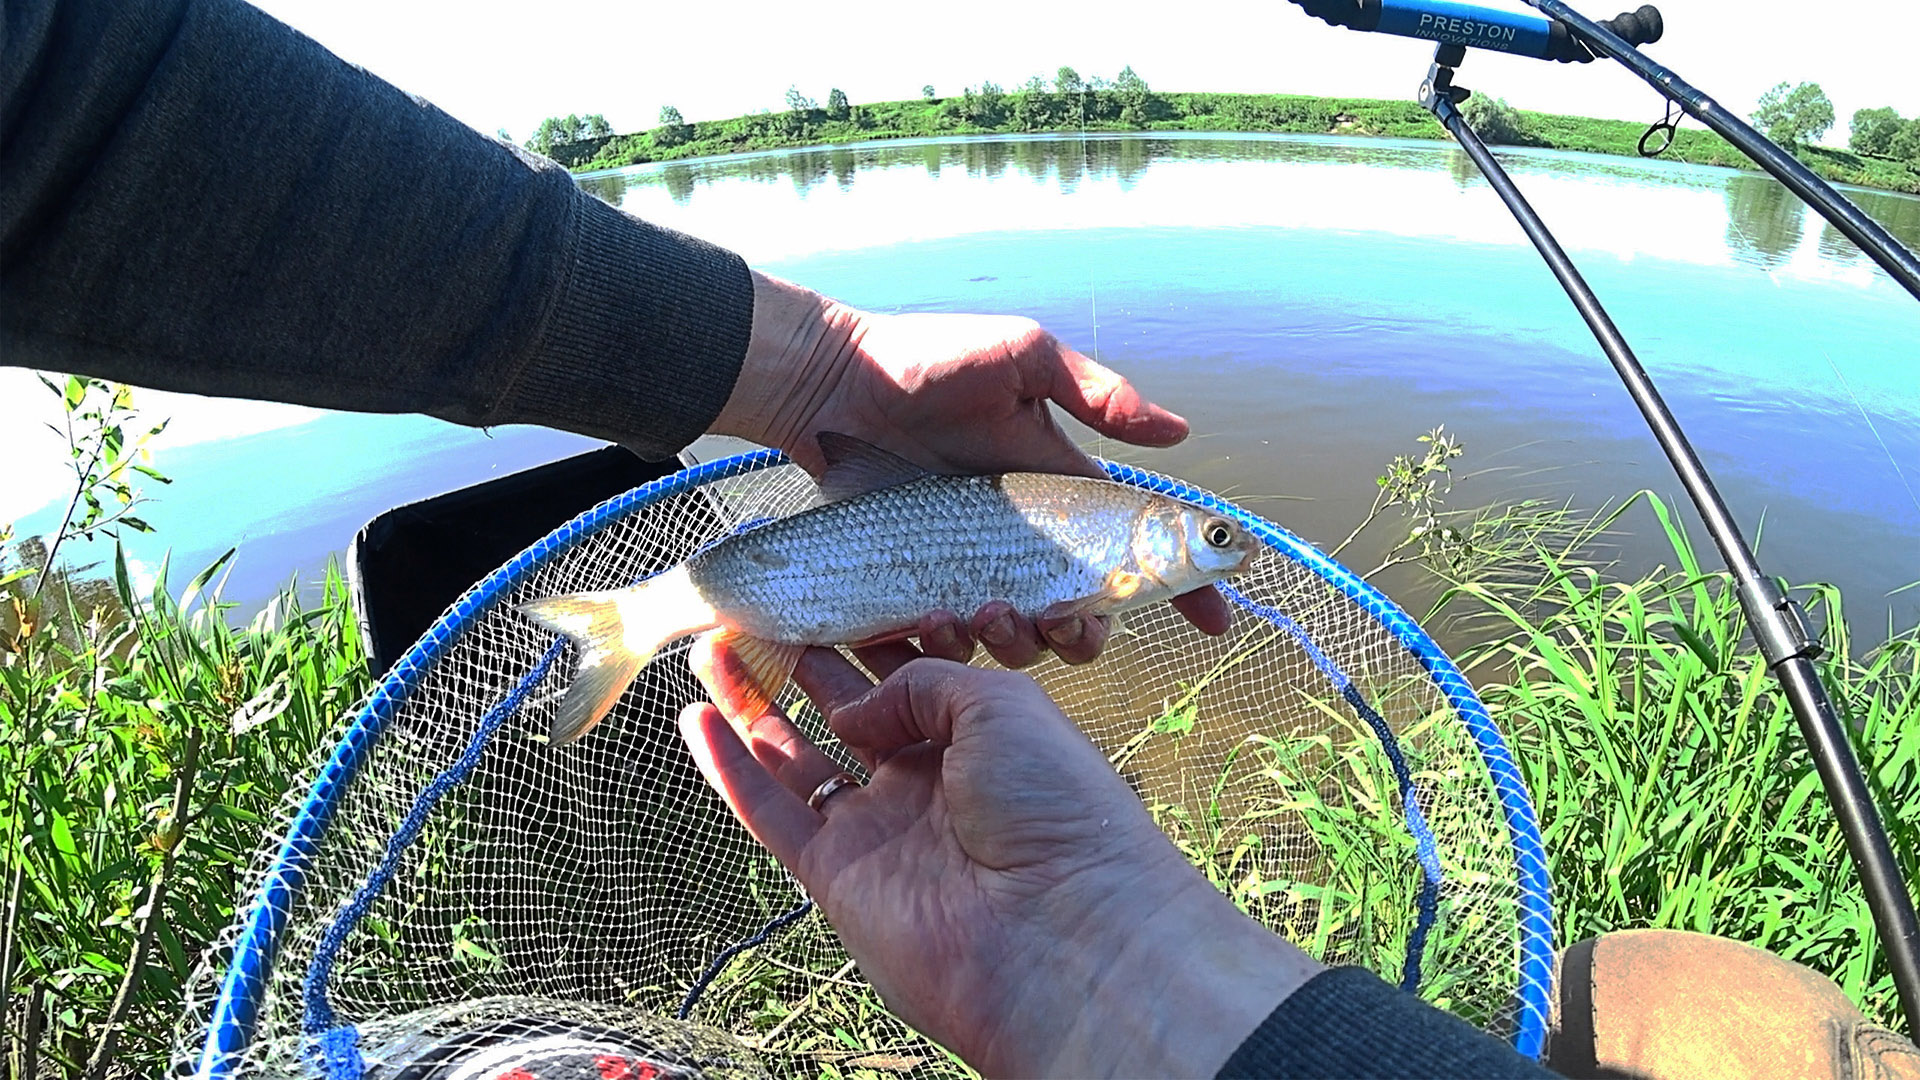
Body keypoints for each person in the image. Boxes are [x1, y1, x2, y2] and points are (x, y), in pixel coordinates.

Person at [9, 3, 1905, 1078]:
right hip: (775, 592)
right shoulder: (1077, 547)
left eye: (1151, 547)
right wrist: (809, 390)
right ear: (1131, 538)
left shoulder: (1089, 547)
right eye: (1157, 540)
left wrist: (820, 373)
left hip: (810, 579)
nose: (1169, 561)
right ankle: (642, 633)